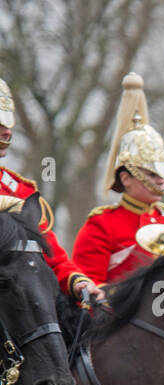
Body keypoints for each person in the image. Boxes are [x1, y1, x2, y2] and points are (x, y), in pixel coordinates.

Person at [72, 73, 164, 286]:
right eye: (152, 174)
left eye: (162, 174)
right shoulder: (102, 224)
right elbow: (88, 290)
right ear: (126, 178)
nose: (160, 180)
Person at [0, 76, 100, 301]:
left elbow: (49, 251)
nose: (7, 132)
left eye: (8, 124)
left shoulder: (19, 191)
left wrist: (77, 280)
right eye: (0, 125)